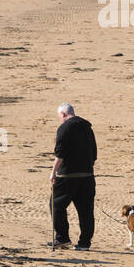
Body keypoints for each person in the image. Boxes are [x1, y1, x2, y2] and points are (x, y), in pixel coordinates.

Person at [50, 102, 97, 250]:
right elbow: (94, 153)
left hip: (67, 177)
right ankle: (85, 243)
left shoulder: (64, 128)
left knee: (56, 205)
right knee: (86, 211)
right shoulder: (87, 128)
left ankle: (62, 238)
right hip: (87, 176)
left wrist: (53, 172)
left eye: (60, 117)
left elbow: (60, 153)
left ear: (63, 114)